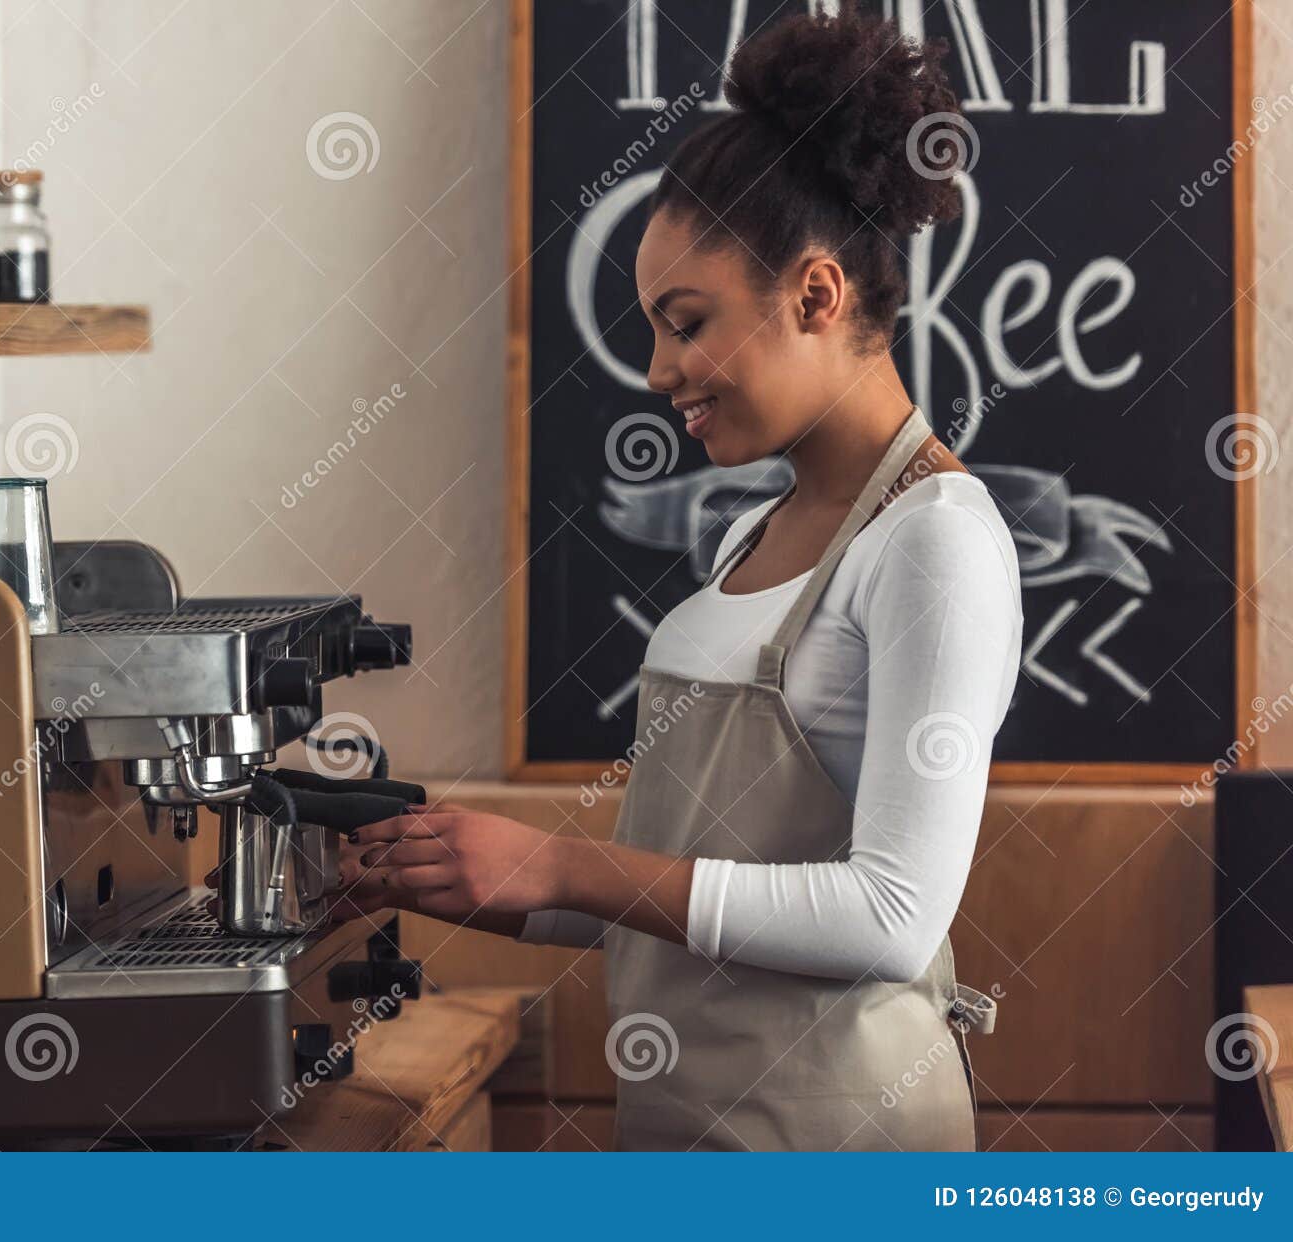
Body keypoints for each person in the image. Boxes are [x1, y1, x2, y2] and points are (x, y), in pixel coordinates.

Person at [334, 5, 1023, 1152]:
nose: (658, 371)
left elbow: (890, 918)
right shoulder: (753, 533)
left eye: (685, 323)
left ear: (815, 297)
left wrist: (562, 862)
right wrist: (482, 877)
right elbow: (700, 900)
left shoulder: (934, 541)